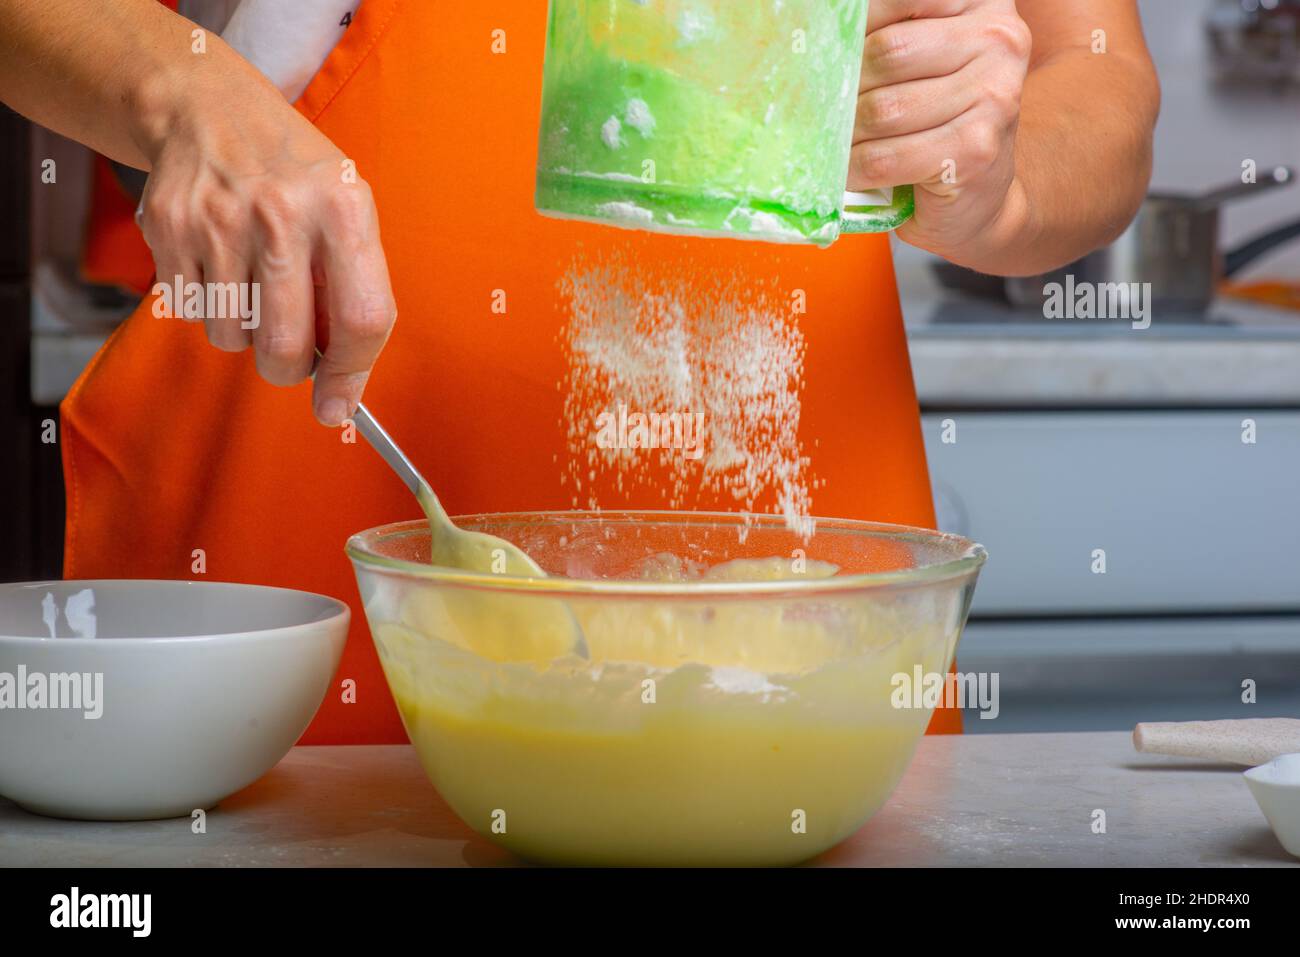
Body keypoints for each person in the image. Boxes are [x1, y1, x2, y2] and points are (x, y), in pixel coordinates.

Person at [0, 0, 1159, 741]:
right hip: (290, 506)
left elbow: (1097, 70)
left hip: (798, 552)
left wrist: (995, 178)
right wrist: (185, 87)